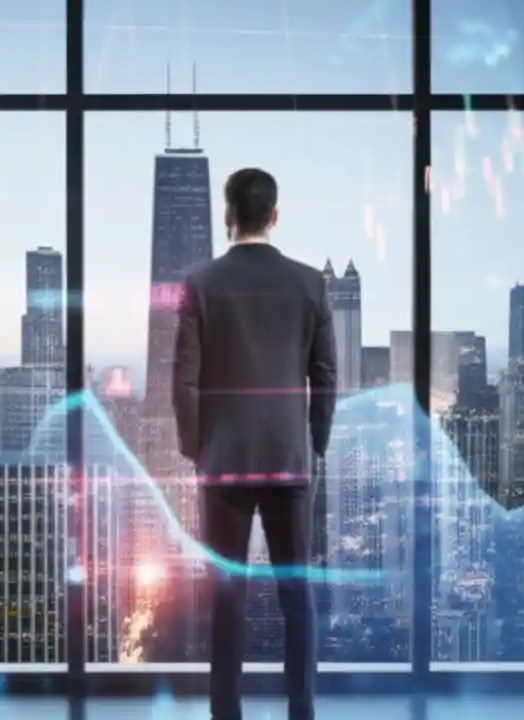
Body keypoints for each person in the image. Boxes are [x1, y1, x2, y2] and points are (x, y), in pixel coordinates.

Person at [172, 167, 338, 720]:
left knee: (226, 597)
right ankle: (303, 710)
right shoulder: (311, 283)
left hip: (222, 462)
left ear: (227, 217)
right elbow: (327, 375)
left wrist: (198, 447)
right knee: (297, 594)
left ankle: (226, 713)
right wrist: (315, 442)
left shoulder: (201, 283)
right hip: (288, 461)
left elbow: (184, 378)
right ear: (274, 215)